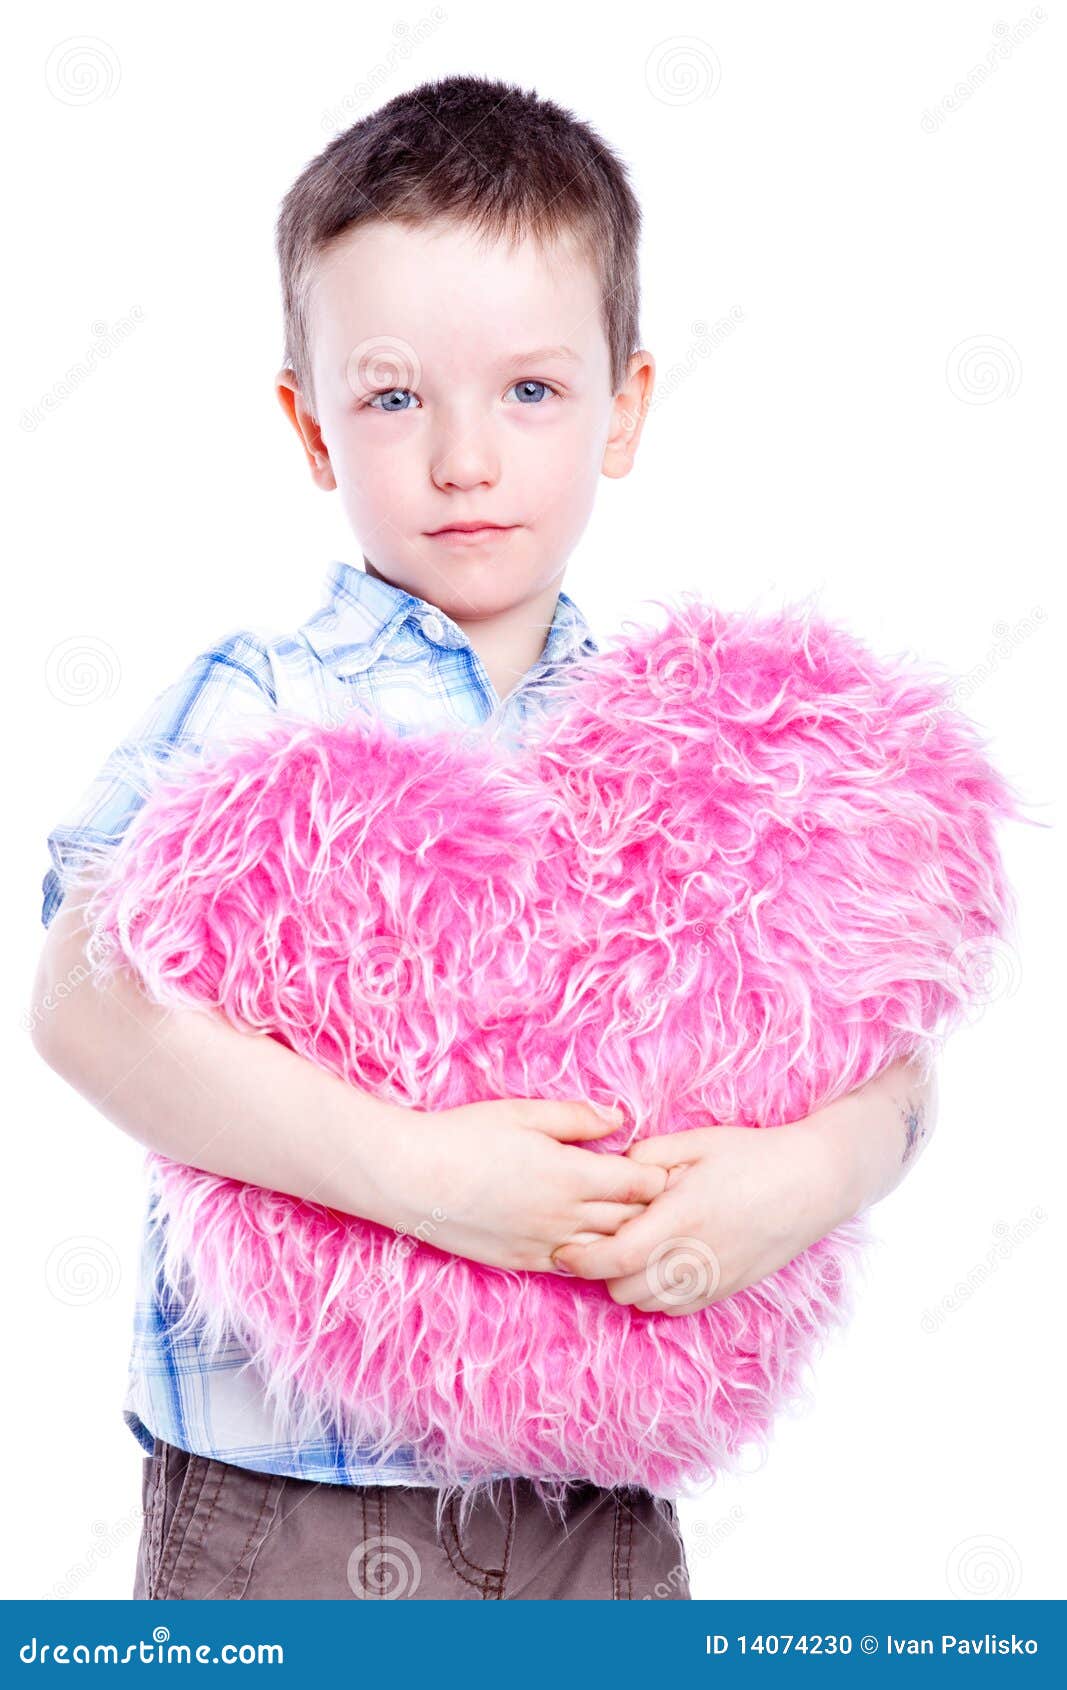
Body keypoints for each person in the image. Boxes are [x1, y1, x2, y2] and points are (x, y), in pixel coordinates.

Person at [30, 74, 936, 1601]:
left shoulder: (697, 749)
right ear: (310, 426)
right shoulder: (265, 705)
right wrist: (425, 1177)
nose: (464, 457)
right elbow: (81, 1000)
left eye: (529, 391)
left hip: (597, 1507)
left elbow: (881, 1055)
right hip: (299, 1505)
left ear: (625, 405)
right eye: (394, 397)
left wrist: (809, 1171)